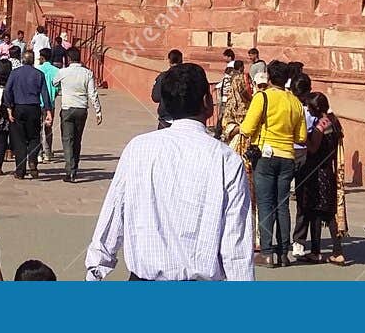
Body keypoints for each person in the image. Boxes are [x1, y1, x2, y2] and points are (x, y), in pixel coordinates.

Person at [87, 63, 253, 281]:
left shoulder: (139, 148)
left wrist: (95, 270)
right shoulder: (226, 160)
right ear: (206, 102)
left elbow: (114, 214)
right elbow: (236, 247)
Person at [240, 61, 307, 267]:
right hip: (287, 156)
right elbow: (301, 137)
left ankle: (267, 253)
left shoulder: (263, 97)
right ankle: (284, 253)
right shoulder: (295, 102)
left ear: (268, 76)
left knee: (266, 205)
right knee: (283, 206)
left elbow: (247, 128)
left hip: (266, 156)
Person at [295, 92, 347, 265]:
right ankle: (337, 251)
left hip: (317, 172)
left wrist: (301, 139)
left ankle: (316, 251)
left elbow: (313, 147)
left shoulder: (321, 124)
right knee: (330, 212)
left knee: (315, 211)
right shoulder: (334, 120)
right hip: (328, 170)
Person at [54, 50, 101, 182]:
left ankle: (69, 170)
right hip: (81, 108)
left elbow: (54, 82)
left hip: (68, 108)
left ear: (68, 59)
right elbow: (93, 93)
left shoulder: (63, 72)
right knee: (77, 139)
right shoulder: (87, 73)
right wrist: (98, 111)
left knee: (68, 140)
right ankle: (74, 169)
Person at [6, 51, 53, 179]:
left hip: (19, 107)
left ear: (22, 60)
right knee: (34, 137)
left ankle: (20, 171)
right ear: (33, 61)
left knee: (19, 139)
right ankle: (32, 160)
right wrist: (48, 111)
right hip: (34, 108)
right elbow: (45, 94)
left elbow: (7, 91)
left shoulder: (15, 73)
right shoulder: (39, 74)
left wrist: (9, 108)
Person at [36, 48, 61, 164]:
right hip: (50, 103)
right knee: (48, 128)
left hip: (38, 102)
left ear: (42, 57)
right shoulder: (56, 71)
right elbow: (57, 88)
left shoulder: (38, 69)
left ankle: (39, 153)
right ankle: (48, 152)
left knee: (38, 129)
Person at [150, 49, 183, 130]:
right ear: (182, 60)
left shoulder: (162, 77)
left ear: (169, 60)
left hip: (166, 117)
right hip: (183, 119)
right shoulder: (188, 77)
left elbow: (156, 97)